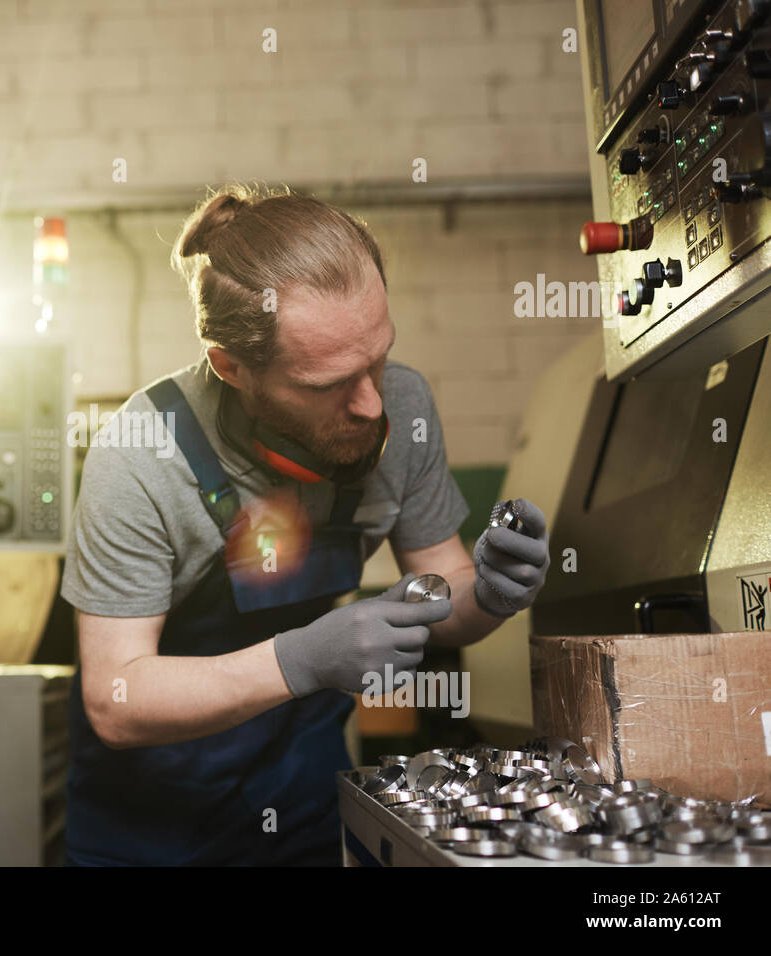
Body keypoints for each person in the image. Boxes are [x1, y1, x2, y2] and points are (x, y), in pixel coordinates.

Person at [60, 185, 552, 866]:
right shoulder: (140, 455)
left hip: (300, 808)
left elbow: (444, 596)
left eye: (378, 357)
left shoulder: (400, 406)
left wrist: (488, 594)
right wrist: (301, 659)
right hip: (148, 831)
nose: (371, 401)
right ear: (231, 367)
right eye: (328, 385)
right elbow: (115, 699)